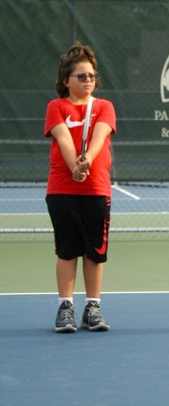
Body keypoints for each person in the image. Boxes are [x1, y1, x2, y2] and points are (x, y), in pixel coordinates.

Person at [44, 42, 116, 333]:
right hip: (62, 189)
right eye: (81, 76)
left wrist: (87, 161)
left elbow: (100, 136)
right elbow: (62, 139)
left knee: (95, 252)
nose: (88, 80)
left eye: (91, 76)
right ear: (66, 81)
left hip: (96, 189)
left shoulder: (103, 107)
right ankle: (65, 307)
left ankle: (93, 307)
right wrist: (75, 166)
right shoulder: (56, 107)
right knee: (67, 251)